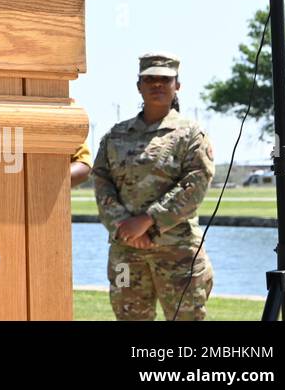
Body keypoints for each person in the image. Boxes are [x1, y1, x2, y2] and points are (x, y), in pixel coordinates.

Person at [92, 52, 215, 320]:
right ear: (139, 86)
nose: (157, 84)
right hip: (127, 253)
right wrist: (124, 226)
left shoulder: (191, 134)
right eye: (150, 79)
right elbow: (101, 183)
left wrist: (148, 220)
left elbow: (195, 184)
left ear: (177, 86)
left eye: (164, 79)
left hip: (178, 252)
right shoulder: (115, 135)